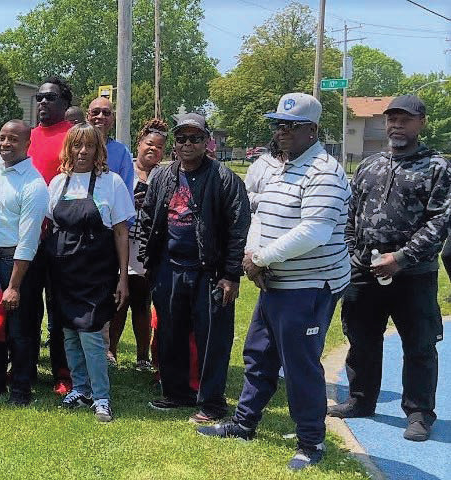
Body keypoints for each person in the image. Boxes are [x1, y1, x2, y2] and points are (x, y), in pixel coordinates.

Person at [198, 93, 351, 471]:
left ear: (312, 130)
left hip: (309, 285)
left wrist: (262, 258)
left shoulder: (324, 171)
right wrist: (254, 254)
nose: (281, 131)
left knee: (300, 366)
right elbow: (262, 217)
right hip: (276, 282)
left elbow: (314, 231)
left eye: (291, 126)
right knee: (259, 355)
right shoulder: (281, 166)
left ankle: (311, 441)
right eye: (278, 124)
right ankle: (244, 424)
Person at [331, 94, 448, 442]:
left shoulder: (437, 167)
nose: (396, 125)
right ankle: (361, 399)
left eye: (405, 119)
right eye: (391, 119)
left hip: (413, 274)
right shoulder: (369, 165)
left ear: (421, 123)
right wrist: (351, 251)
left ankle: (419, 413)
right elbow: (350, 213)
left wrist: (401, 258)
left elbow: (440, 221)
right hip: (365, 270)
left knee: (419, 346)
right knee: (361, 338)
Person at [139, 112, 249, 424]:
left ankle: (212, 404)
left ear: (207, 142)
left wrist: (231, 275)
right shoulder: (162, 176)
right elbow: (148, 218)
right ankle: (176, 393)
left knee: (212, 340)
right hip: (169, 269)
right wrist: (149, 261)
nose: (187, 144)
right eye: (181, 138)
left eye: (195, 138)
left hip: (209, 273)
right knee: (170, 333)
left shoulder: (225, 179)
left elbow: (238, 228)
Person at [45, 123, 133, 422]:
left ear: (99, 150)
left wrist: (123, 277)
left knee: (92, 334)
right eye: (77, 145)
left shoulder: (112, 182)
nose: (83, 151)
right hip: (63, 272)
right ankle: (80, 389)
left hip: (96, 273)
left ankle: (101, 396)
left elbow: (121, 232)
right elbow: (51, 225)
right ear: (68, 149)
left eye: (90, 146)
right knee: (69, 332)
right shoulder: (58, 182)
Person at [0, 120, 50, 405]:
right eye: (2, 138)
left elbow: (28, 241)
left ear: (27, 145)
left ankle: (21, 388)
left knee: (20, 330)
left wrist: (14, 286)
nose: (6, 144)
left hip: (19, 264)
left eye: (13, 139)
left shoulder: (34, 184)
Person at [26, 75, 75, 394]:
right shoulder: (25, 137)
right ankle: (25, 367)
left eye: (50, 97)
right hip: (29, 237)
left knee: (60, 308)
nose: (43, 102)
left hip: (62, 236)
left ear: (65, 103)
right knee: (28, 307)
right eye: (39, 98)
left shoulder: (75, 136)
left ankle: (63, 372)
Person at [105, 118, 167, 369]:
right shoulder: (126, 169)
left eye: (159, 147)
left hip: (146, 246)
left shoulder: (164, 175)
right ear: (139, 143)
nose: (153, 149)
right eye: (149, 144)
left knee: (142, 302)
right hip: (122, 242)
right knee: (119, 301)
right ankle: (111, 351)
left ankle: (143, 356)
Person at [86, 96, 135, 195]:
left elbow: (126, 193)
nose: (100, 116)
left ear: (113, 118)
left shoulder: (122, 153)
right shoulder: (76, 148)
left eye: (106, 113)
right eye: (95, 112)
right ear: (87, 116)